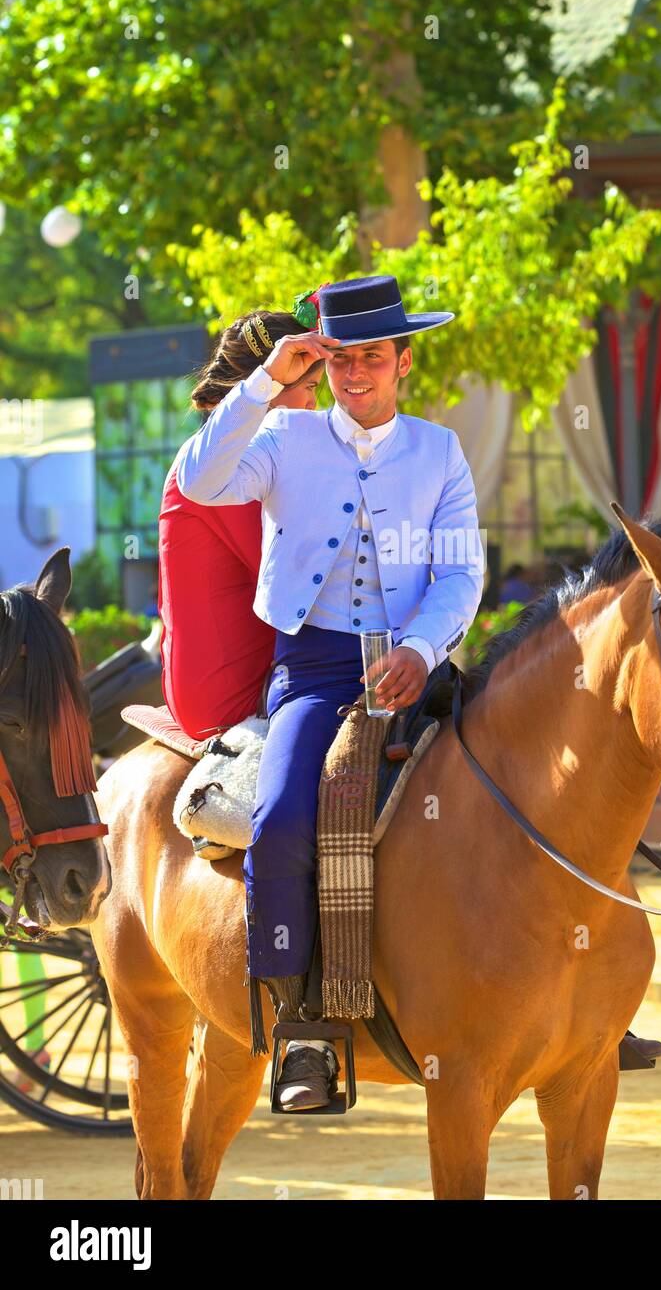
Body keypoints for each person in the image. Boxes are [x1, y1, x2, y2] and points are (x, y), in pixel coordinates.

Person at [177, 274, 485, 1110]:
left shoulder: (440, 451)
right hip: (314, 671)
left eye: (371, 360)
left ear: (403, 363)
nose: (354, 376)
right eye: (339, 360)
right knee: (280, 819)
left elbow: (461, 572)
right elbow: (200, 480)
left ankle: (585, 989)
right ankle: (301, 1027)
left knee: (543, 760)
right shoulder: (281, 434)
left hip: (424, 667)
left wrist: (423, 648)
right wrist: (268, 379)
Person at [158, 309, 324, 740]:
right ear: (263, 385)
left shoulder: (232, 452)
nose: (313, 403)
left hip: (260, 669)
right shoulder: (233, 463)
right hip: (228, 693)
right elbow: (297, 581)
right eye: (308, 387)